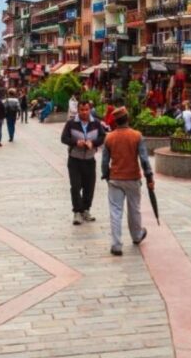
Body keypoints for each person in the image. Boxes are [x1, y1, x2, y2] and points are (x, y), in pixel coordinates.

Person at [101, 107, 154, 256]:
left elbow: (105, 162)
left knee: (115, 211)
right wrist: (149, 177)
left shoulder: (109, 137)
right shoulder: (136, 136)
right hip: (132, 178)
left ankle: (116, 245)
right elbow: (144, 160)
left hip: (115, 178)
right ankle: (137, 236)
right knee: (134, 209)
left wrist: (106, 175)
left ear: (116, 121)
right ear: (128, 118)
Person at [60, 100, 106, 225]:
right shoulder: (71, 123)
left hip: (90, 160)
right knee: (75, 187)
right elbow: (64, 138)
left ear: (90, 109)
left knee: (89, 187)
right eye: (82, 110)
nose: (84, 112)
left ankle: (86, 210)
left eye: (86, 109)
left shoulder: (96, 123)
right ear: (78, 110)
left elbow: (102, 137)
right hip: (74, 160)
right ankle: (77, 212)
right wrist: (76, 142)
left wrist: (94, 143)